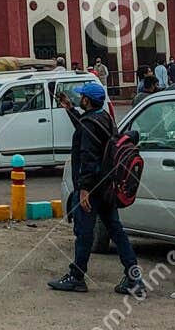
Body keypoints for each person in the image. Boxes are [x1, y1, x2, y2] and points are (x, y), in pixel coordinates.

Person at [49, 80, 143, 296]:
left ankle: (77, 277)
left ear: (87, 100)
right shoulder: (105, 119)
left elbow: (88, 157)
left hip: (93, 190)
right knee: (116, 231)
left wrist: (84, 189)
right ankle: (134, 278)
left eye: (81, 96)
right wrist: (70, 110)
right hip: (108, 186)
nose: (79, 98)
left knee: (84, 232)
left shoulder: (89, 124)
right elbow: (89, 132)